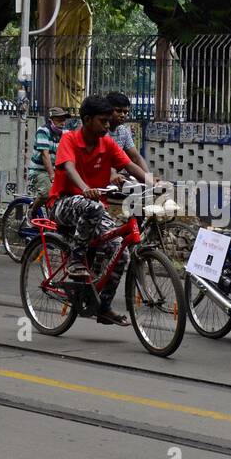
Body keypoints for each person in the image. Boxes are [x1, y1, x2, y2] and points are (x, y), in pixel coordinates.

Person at [48, 94, 155, 327]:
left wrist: (153, 183)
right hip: (63, 204)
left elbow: (129, 164)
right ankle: (76, 260)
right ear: (87, 120)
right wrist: (85, 188)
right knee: (94, 206)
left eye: (109, 121)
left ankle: (103, 307)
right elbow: (68, 168)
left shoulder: (107, 143)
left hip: (92, 209)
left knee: (121, 250)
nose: (108, 126)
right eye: (103, 121)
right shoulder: (70, 140)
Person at [27, 106, 69, 221]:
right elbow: (45, 155)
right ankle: (32, 211)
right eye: (59, 120)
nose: (62, 122)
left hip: (57, 170)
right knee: (47, 193)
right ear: (51, 120)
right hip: (40, 170)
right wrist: (51, 175)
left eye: (64, 119)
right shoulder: (43, 131)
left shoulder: (66, 133)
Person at [105, 91, 150, 177]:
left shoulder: (123, 131)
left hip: (115, 178)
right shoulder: (99, 131)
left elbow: (136, 158)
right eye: (118, 111)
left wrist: (149, 178)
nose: (122, 115)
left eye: (125, 112)